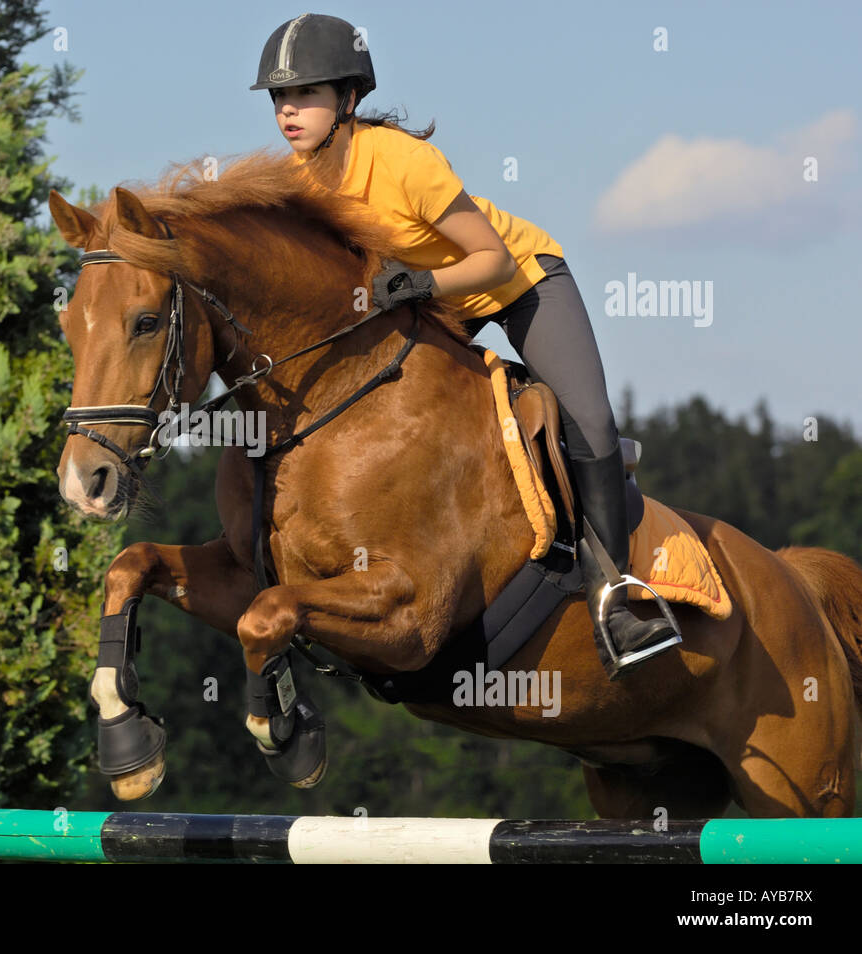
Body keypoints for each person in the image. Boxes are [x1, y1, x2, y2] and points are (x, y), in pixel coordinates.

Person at [250, 13, 681, 679]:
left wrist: (419, 280)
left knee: (588, 418)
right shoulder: (296, 186)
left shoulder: (403, 162)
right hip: (428, 302)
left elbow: (493, 262)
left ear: (350, 99)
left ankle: (618, 592)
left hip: (519, 282)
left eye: (305, 94)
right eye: (280, 98)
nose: (288, 111)